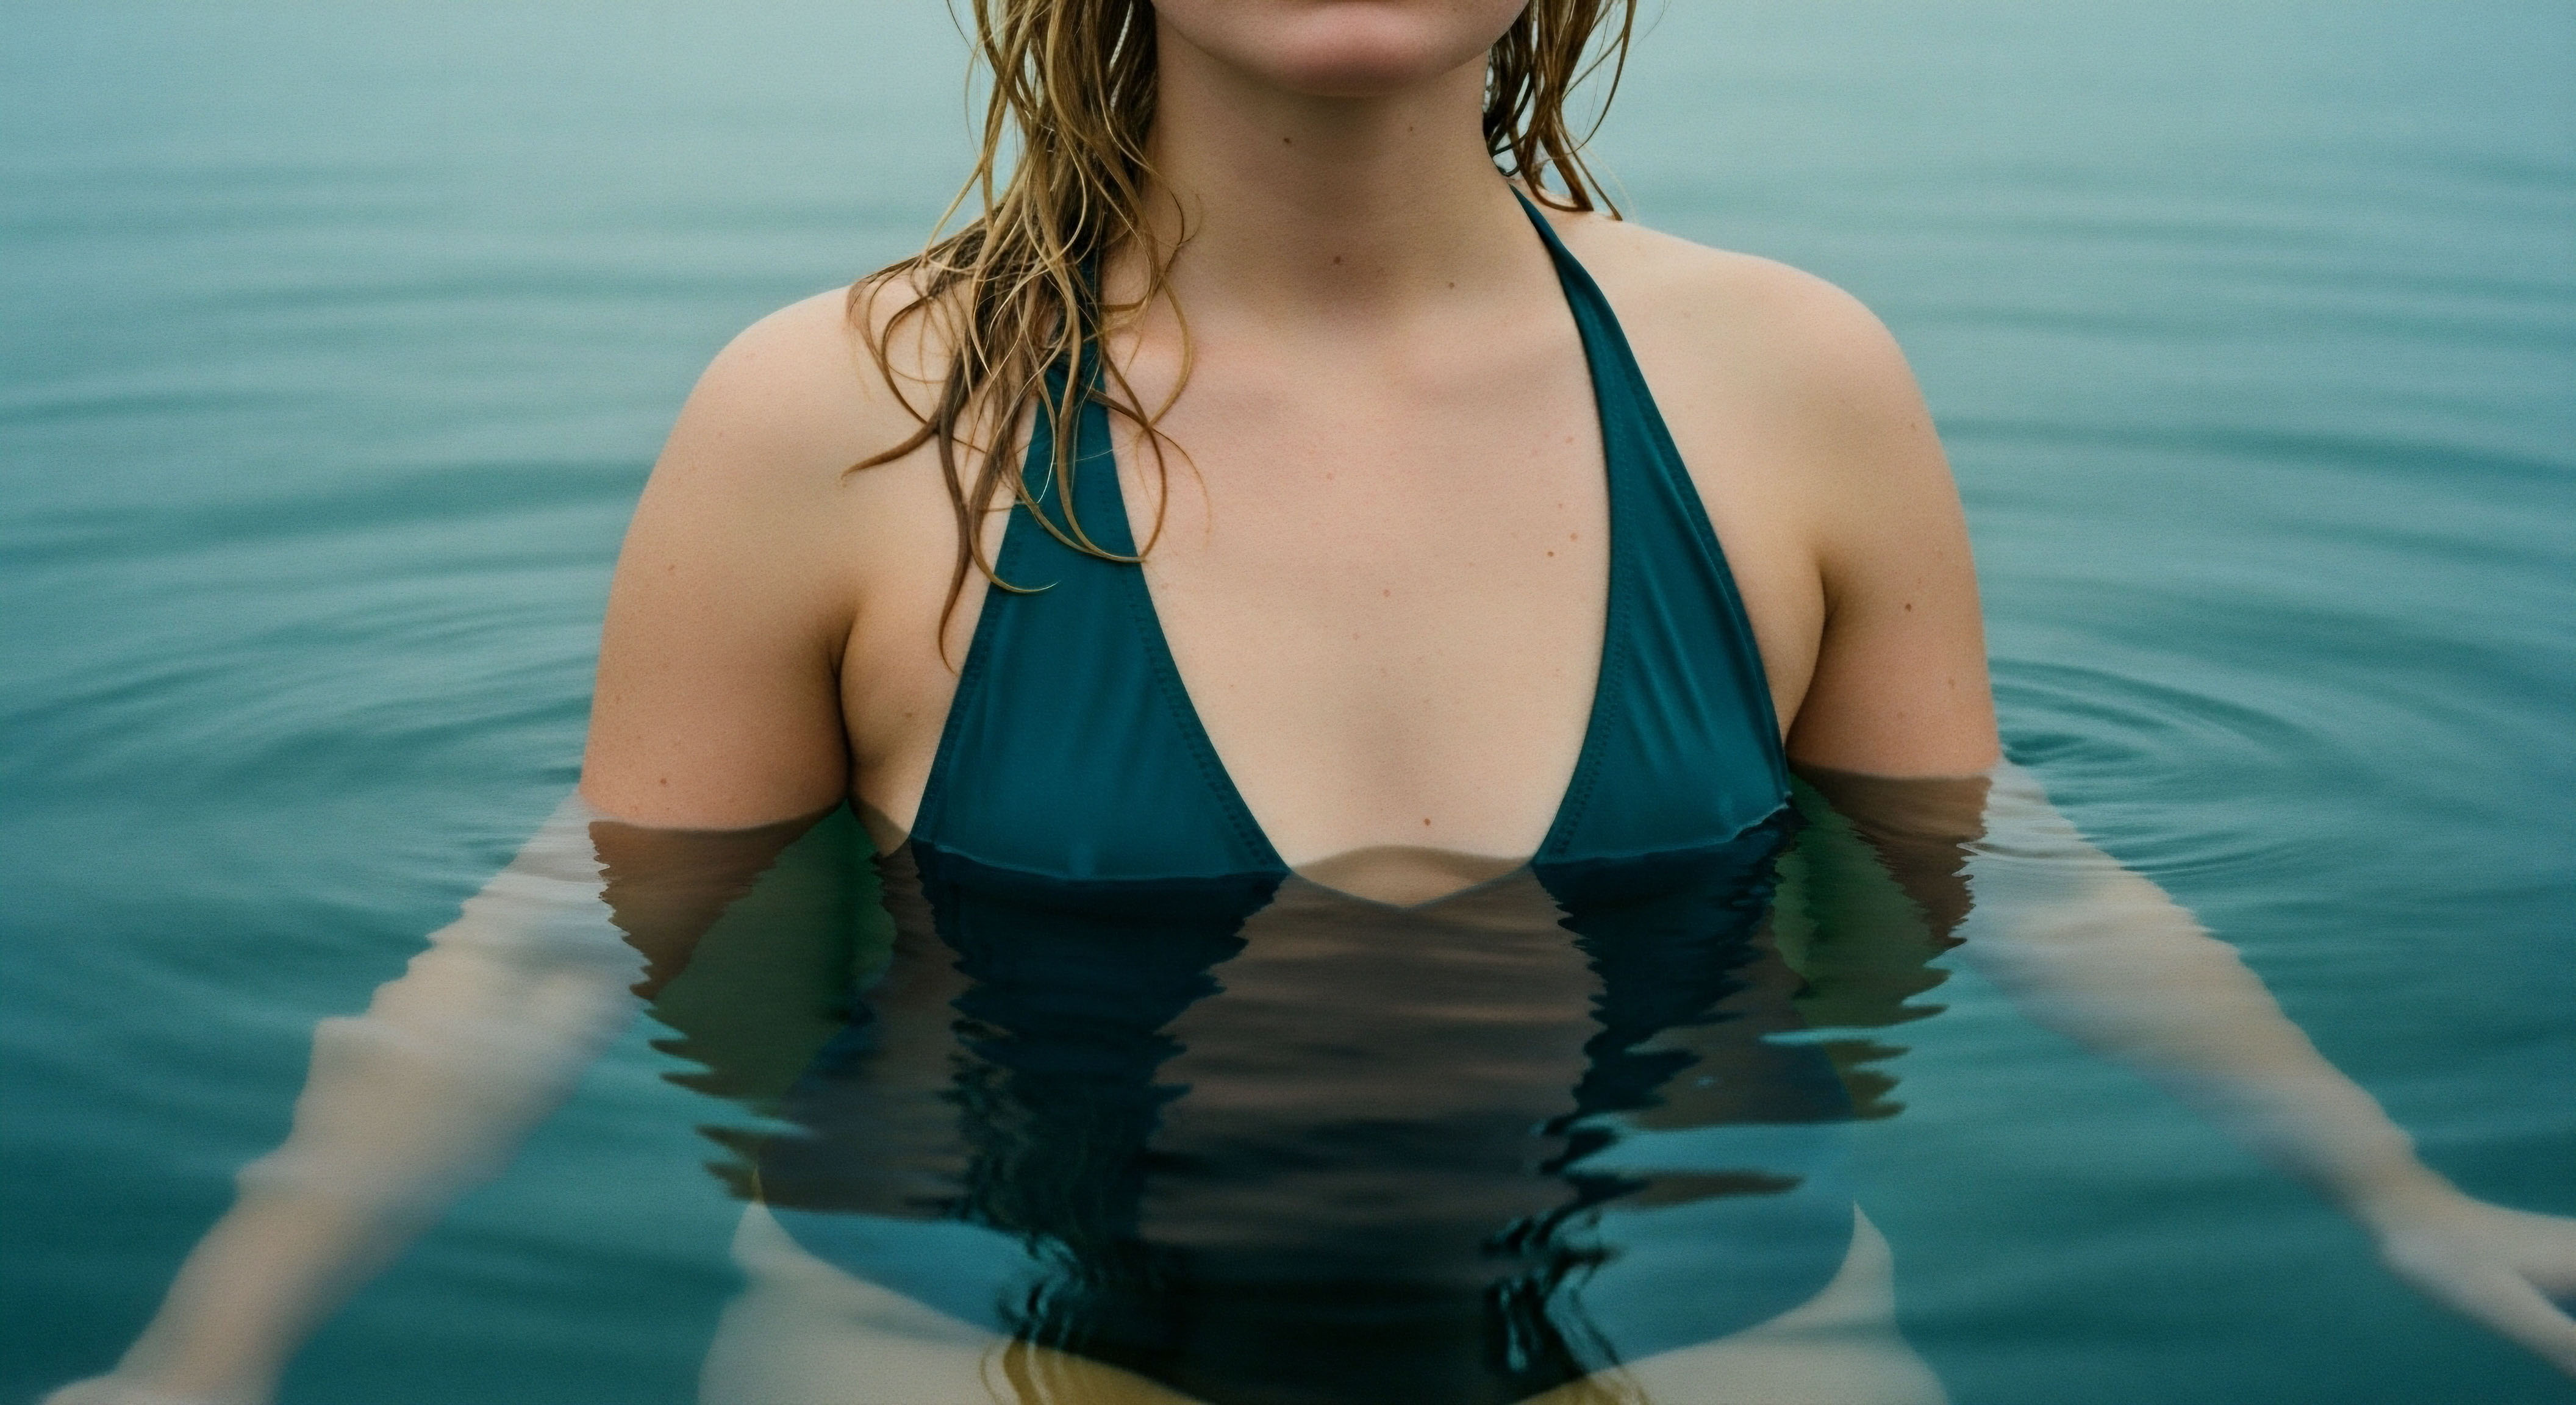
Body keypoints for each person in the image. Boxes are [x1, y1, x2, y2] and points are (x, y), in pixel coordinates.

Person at [48, 2, 2576, 1403]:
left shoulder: (1791, 382)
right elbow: (558, 931)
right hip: (957, 1335)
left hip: (1694, 1319)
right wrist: (218, 1344)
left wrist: (2391, 1193)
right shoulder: (827, 417)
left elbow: (1999, 858)